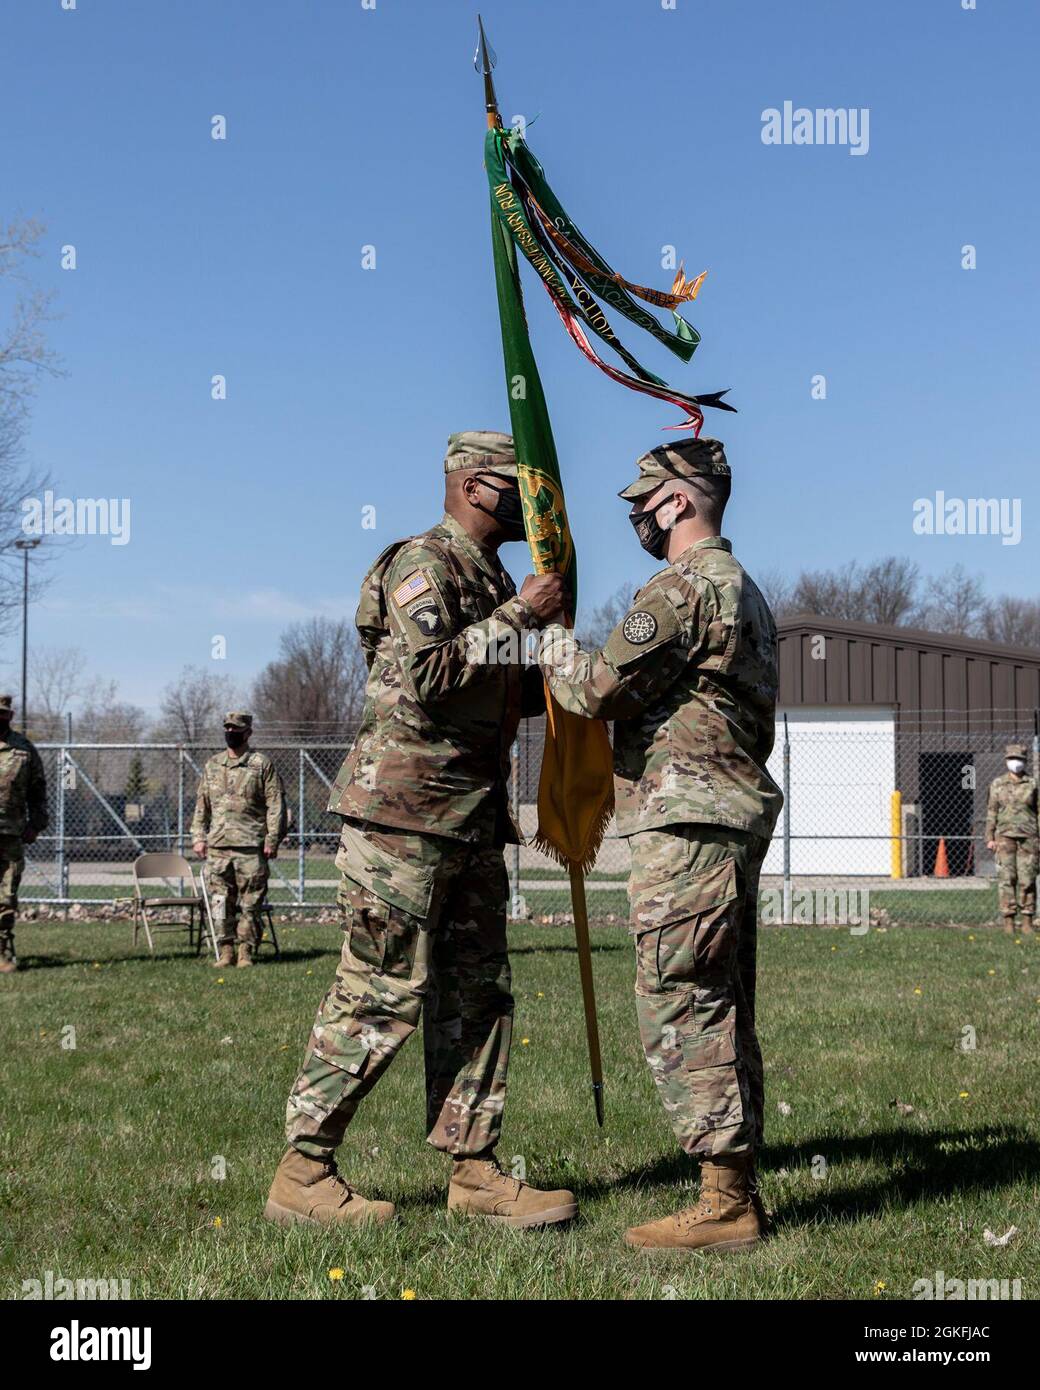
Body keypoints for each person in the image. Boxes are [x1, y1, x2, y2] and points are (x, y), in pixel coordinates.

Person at [266, 431, 575, 1229]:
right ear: (475, 484)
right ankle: (304, 1172)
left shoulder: (492, 574)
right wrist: (519, 616)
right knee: (380, 990)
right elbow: (434, 674)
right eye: (520, 486)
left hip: (469, 816)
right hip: (402, 817)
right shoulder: (424, 565)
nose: (535, 503)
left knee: (478, 995)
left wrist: (546, 634)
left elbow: (499, 691)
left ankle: (474, 1172)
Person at [537, 437, 782, 1252]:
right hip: (729, 819)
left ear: (679, 499)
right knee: (720, 999)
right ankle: (734, 1186)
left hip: (686, 824)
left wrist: (550, 640)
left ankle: (724, 1202)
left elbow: (598, 688)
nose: (638, 516)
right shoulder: (749, 595)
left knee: (681, 998)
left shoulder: (682, 588)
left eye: (644, 502)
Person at [191, 712, 287, 967]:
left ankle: (245, 951)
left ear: (248, 733)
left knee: (250, 903)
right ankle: (225, 950)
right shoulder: (213, 764)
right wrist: (198, 837)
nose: (230, 732)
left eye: (236, 728)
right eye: (227, 728)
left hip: (251, 847)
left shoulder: (260, 764)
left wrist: (272, 839)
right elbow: (202, 805)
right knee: (220, 903)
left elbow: (275, 804)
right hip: (219, 847)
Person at [0, 695, 48, 975]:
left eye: (3, 713)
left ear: (11, 715)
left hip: (10, 835)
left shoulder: (24, 750)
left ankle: (3, 951)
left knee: (6, 898)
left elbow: (38, 792)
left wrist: (36, 824)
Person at [985, 742, 1038, 935]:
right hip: (1004, 838)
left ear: (1025, 761)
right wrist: (989, 837)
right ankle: (1008, 921)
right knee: (1007, 879)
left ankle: (1027, 921)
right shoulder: (997, 784)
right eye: (1012, 759)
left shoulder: (1033, 784)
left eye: (1020, 759)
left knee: (1027, 879)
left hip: (1029, 839)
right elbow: (992, 811)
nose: (1016, 763)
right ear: (1006, 760)